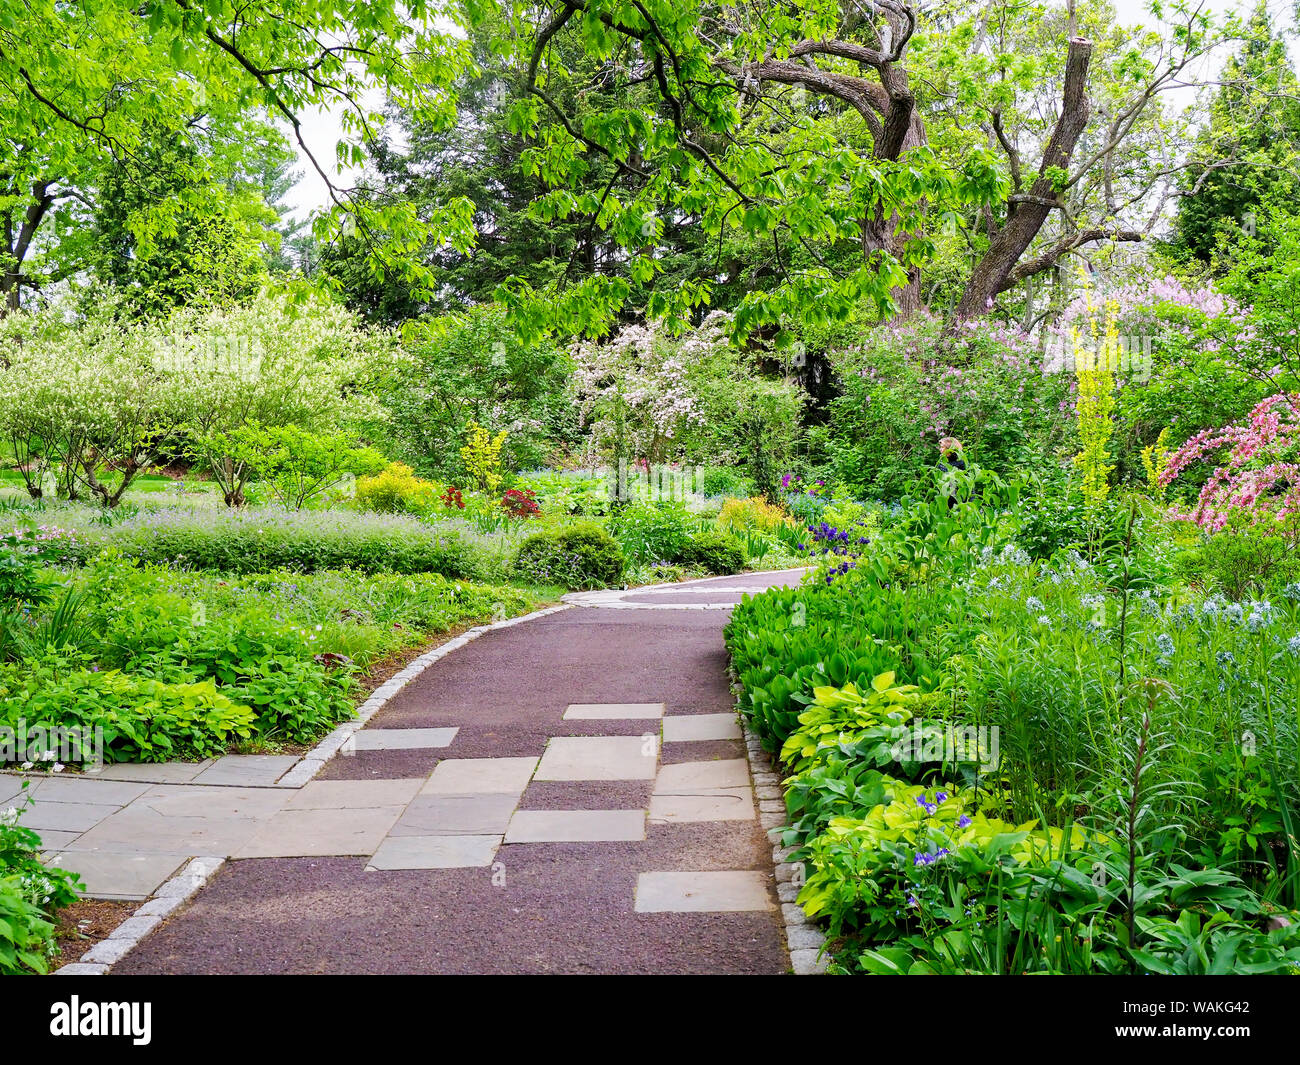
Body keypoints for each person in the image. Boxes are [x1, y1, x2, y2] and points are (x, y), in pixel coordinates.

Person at [937, 437, 966, 509]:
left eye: (943, 447)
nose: (940, 449)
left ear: (950, 449)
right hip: (944, 494)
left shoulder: (960, 462)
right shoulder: (941, 462)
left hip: (956, 494)